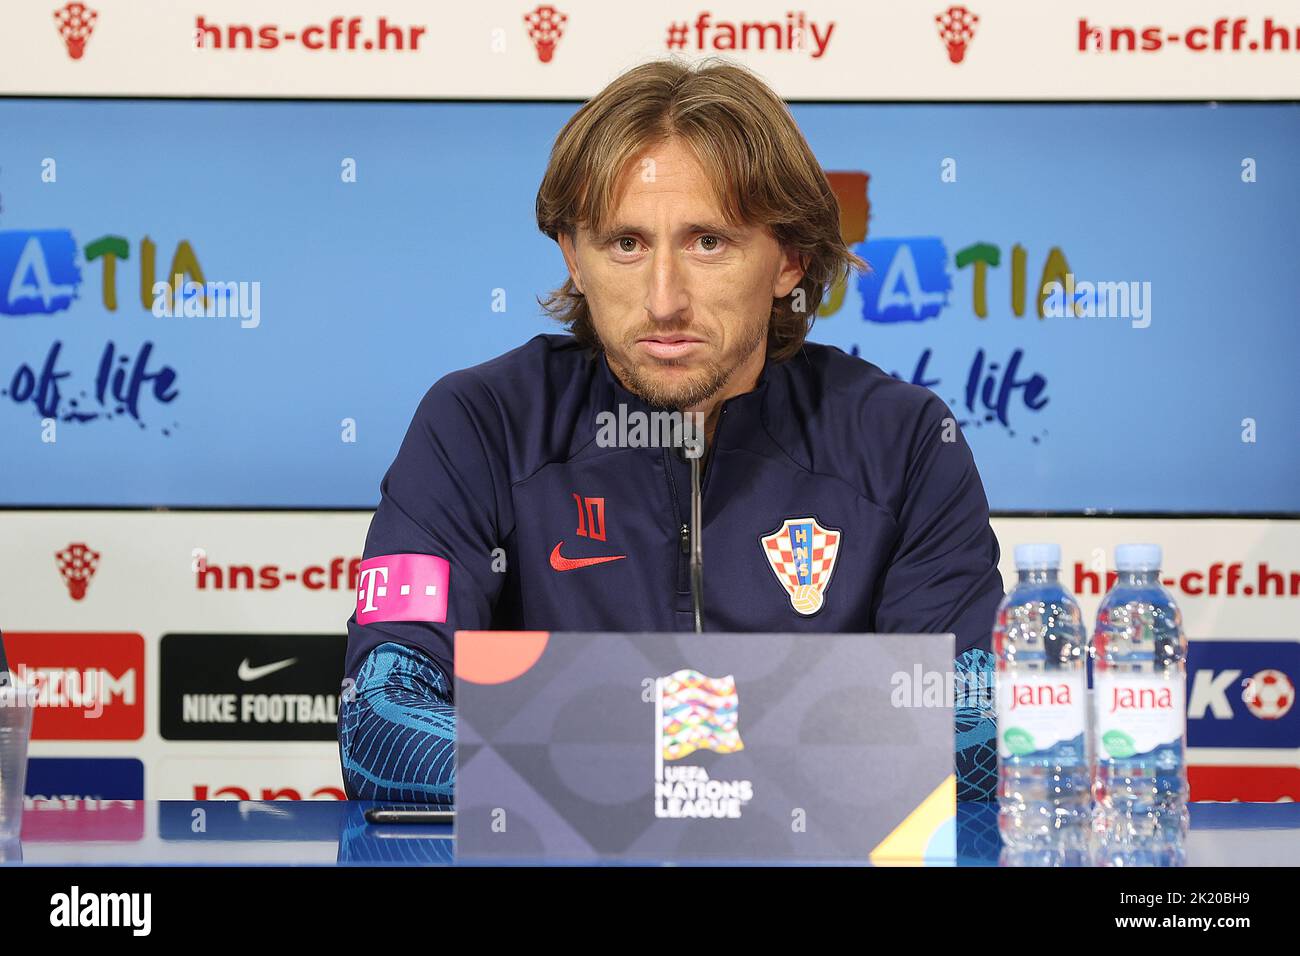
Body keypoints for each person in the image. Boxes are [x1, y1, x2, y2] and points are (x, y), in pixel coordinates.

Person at [339, 57, 1002, 805]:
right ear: (574, 257)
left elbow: (976, 729)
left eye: (707, 242)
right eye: (626, 244)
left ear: (790, 259)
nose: (663, 301)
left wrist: (610, 760)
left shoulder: (903, 440)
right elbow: (381, 722)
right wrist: (711, 766)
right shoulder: (479, 426)